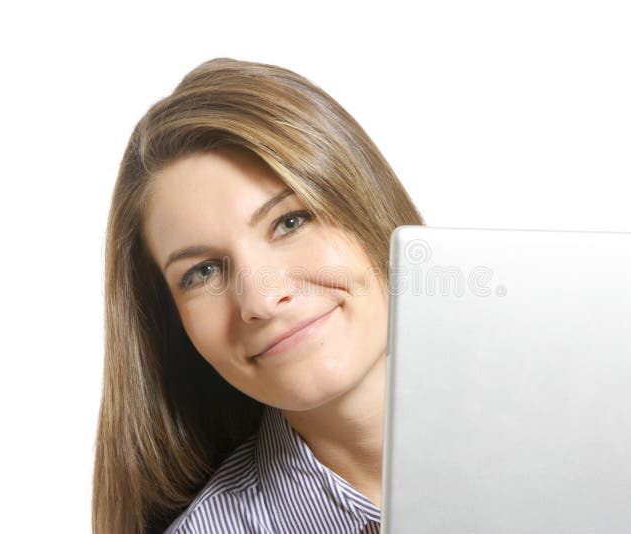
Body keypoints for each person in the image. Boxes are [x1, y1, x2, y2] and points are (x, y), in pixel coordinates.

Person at [92, 57, 425, 533]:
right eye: (203, 271)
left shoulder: (567, 428)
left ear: (368, 204)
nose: (260, 302)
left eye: (290, 222)